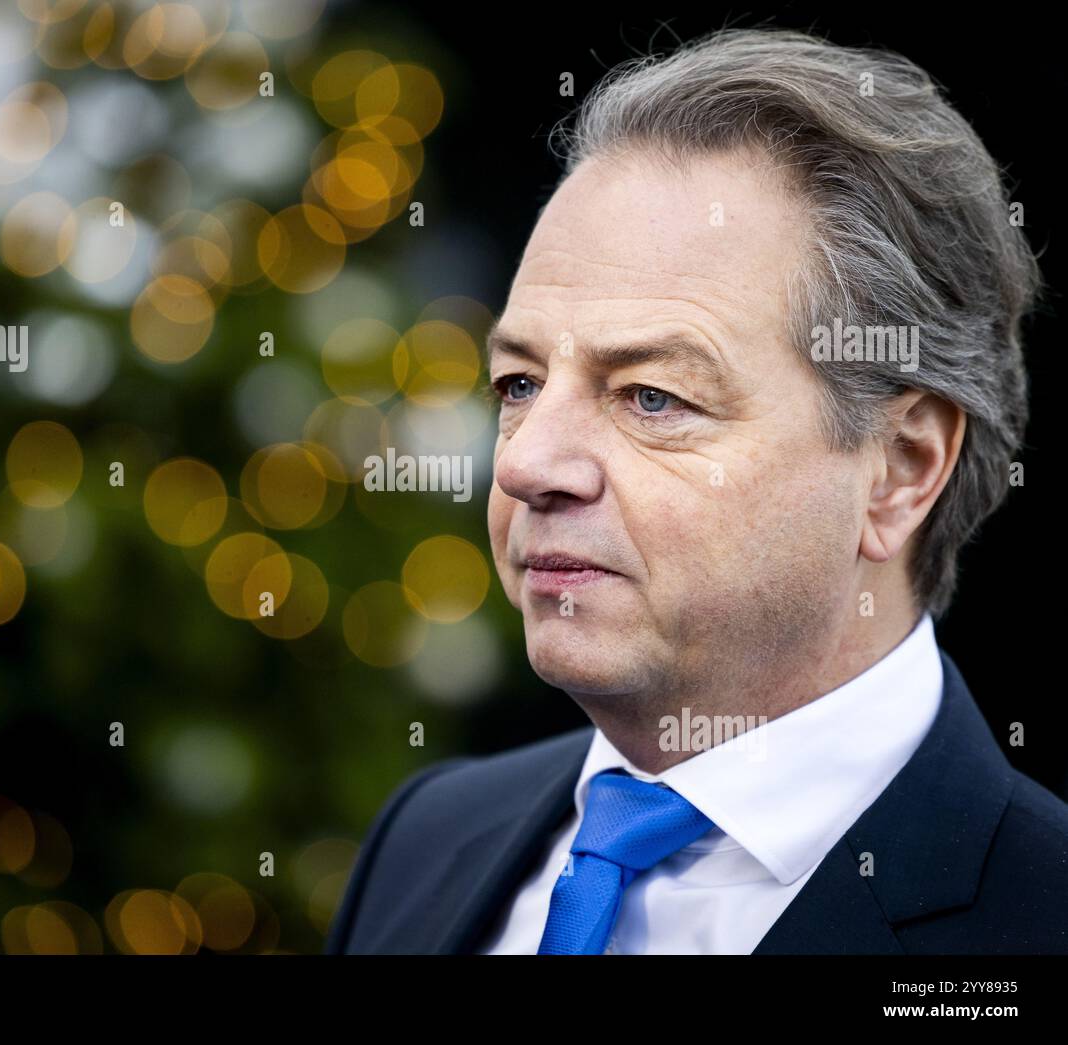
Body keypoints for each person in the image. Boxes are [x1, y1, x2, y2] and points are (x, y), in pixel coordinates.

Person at [325, 27, 1067, 955]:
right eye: (518, 384)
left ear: (900, 470)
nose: (524, 465)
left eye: (651, 396)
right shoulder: (427, 839)